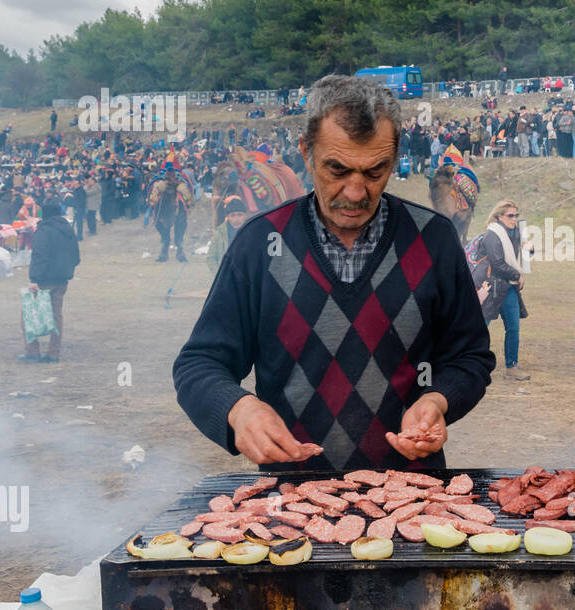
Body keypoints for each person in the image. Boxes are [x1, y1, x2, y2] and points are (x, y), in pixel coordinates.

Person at [173, 75, 494, 471]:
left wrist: (437, 399)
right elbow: (200, 364)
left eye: (375, 171)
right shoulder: (259, 244)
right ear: (307, 153)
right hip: (291, 503)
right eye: (337, 170)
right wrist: (238, 409)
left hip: (411, 494)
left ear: (394, 158)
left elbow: (470, 357)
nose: (356, 192)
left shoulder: (434, 239)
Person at [19, 198, 79, 363]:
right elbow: (76, 256)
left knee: (28, 314)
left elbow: (40, 256)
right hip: (62, 279)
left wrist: (34, 278)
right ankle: (53, 353)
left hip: (45, 279)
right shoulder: (68, 229)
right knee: (56, 315)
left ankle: (32, 351)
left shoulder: (43, 231)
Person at [481, 198, 529, 381]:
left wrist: (528, 250)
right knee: (481, 328)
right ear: (499, 216)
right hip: (492, 287)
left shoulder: (514, 233)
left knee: (513, 328)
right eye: (510, 215)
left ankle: (512, 366)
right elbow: (498, 264)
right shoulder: (492, 234)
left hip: (508, 288)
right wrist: (517, 275)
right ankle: (472, 364)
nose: (514, 219)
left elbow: (518, 256)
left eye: (516, 215)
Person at [149, 168, 192, 262]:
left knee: (180, 230)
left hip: (178, 210)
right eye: (169, 176)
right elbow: (152, 201)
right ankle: (164, 251)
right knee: (163, 232)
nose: (170, 179)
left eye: (172, 176)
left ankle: (180, 252)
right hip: (163, 210)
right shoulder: (159, 186)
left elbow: (188, 200)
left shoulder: (181, 186)